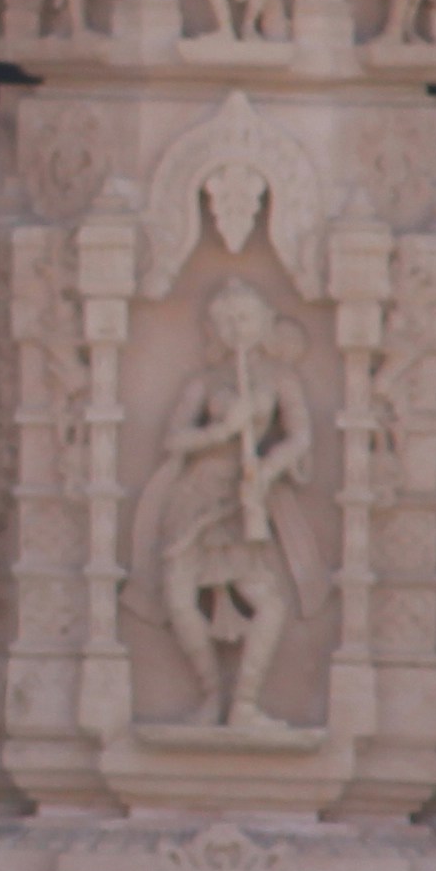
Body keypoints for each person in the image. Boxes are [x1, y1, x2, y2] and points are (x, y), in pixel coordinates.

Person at [136, 281, 312, 731]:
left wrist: (270, 466)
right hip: (197, 495)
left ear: (264, 324)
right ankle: (210, 697)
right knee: (178, 594)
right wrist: (222, 432)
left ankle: (246, 703)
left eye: (246, 319)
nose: (238, 329)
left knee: (266, 600)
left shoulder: (279, 380)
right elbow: (173, 439)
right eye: (228, 320)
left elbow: (300, 438)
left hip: (246, 494)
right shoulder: (205, 383)